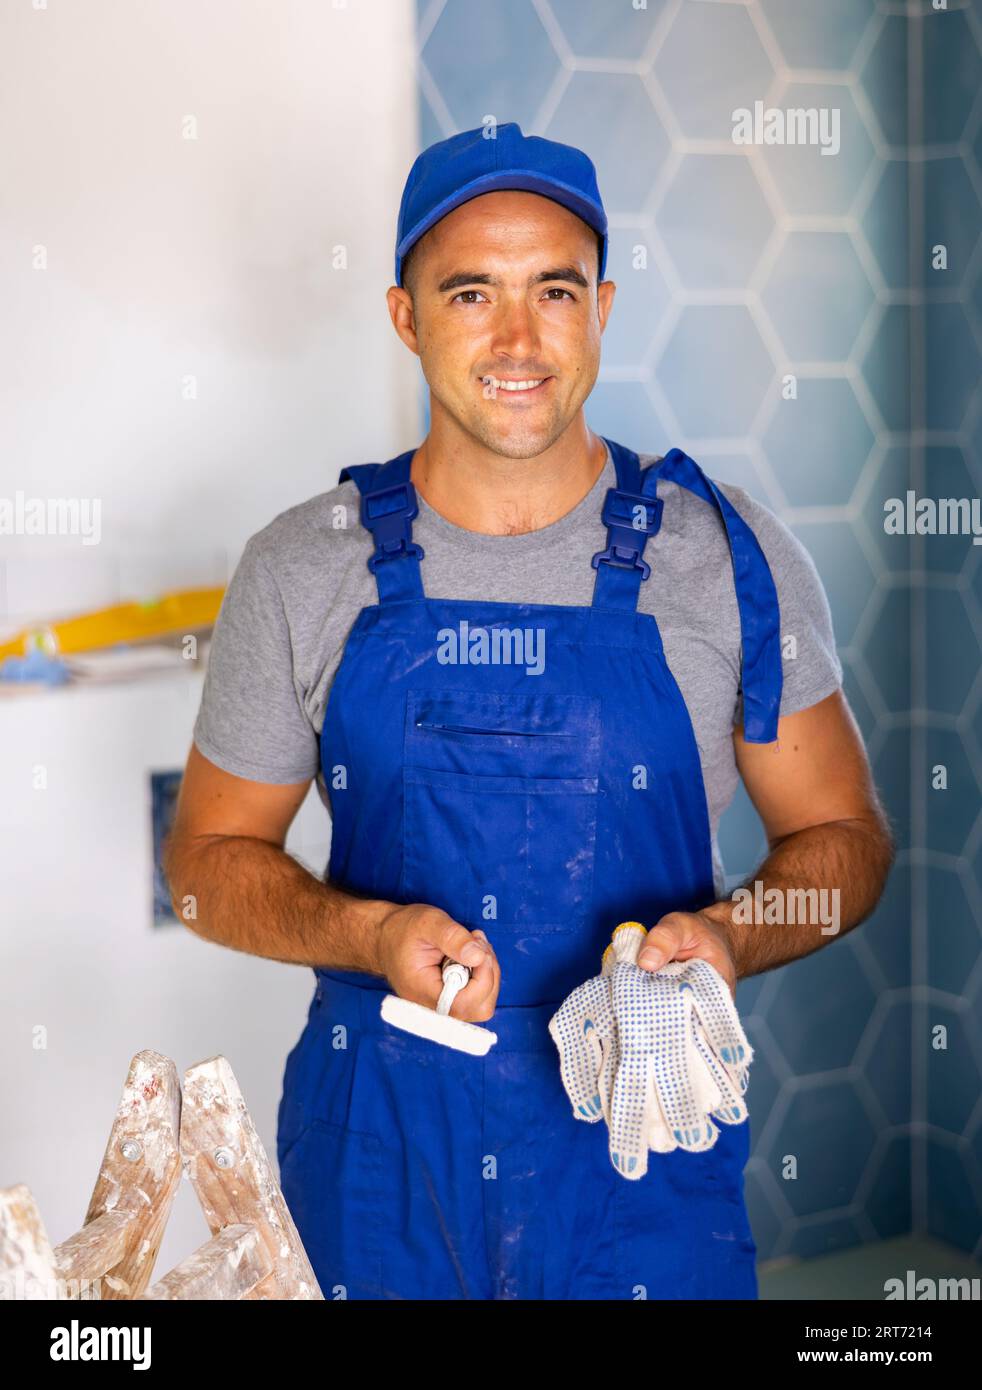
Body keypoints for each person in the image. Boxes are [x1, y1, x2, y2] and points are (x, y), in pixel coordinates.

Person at [164, 122, 894, 1300]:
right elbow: (202, 865)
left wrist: (726, 939)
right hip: (379, 1171)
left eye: (553, 289)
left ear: (600, 305)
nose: (517, 340)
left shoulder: (728, 558)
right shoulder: (304, 567)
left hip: (639, 1161)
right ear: (406, 316)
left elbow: (848, 843)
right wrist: (369, 937)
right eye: (469, 294)